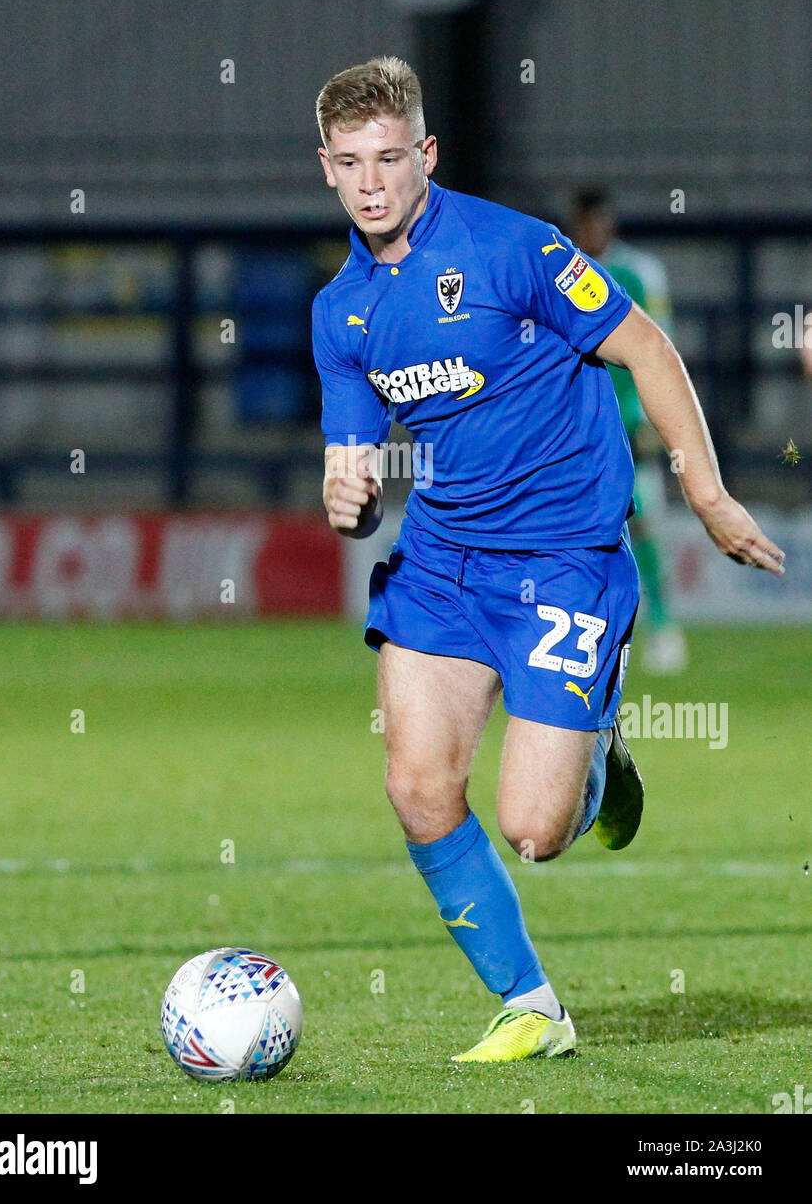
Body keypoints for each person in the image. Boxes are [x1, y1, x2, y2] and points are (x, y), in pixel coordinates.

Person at [311, 56, 784, 1064]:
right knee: (416, 786)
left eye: (388, 157)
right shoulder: (339, 315)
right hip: (439, 561)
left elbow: (645, 348)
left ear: (423, 154)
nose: (370, 182)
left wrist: (704, 493)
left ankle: (601, 762)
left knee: (533, 828)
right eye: (349, 162)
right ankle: (529, 1003)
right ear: (325, 168)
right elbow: (349, 475)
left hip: (564, 559)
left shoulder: (513, 248)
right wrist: (345, 501)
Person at [571, 187, 688, 674]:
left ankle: (663, 626)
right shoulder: (561, 268)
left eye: (599, 221)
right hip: (576, 428)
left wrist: (650, 418)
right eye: (585, 223)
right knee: (577, 530)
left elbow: (660, 347)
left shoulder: (637, 273)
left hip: (629, 425)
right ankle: (590, 632)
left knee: (640, 522)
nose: (592, 231)